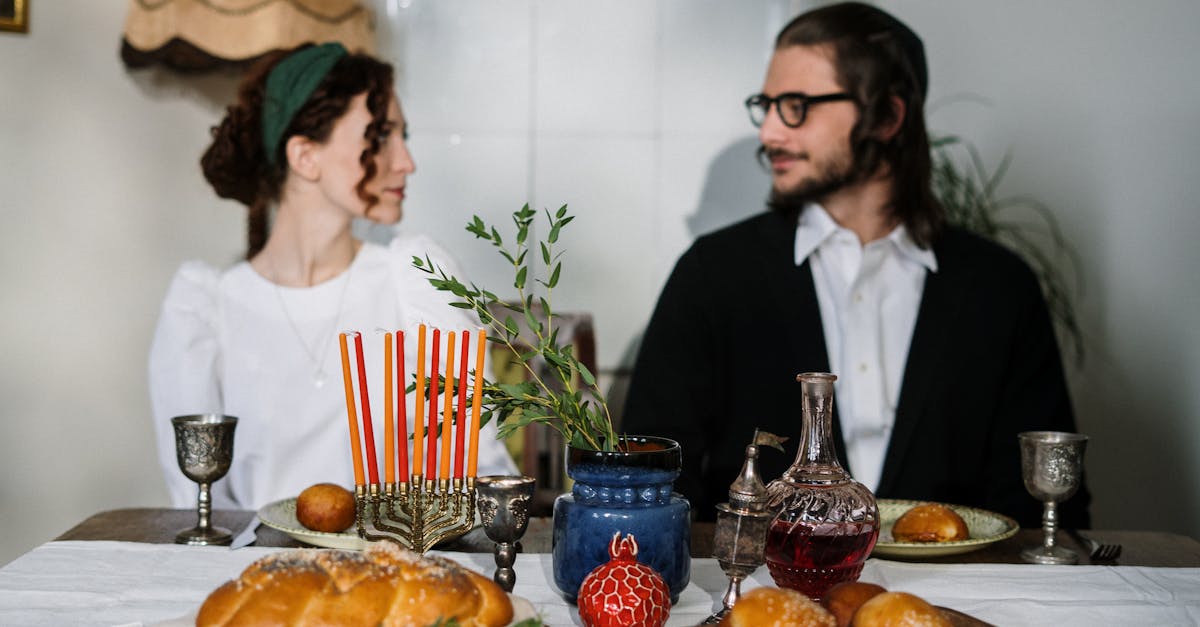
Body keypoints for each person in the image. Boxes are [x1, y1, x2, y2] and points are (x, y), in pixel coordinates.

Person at [622, 3, 1089, 529]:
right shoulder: (713, 273)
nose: (770, 133)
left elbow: (1047, 509)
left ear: (887, 117)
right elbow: (648, 479)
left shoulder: (1000, 288)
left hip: (958, 601)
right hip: (763, 595)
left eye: (796, 105)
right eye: (767, 105)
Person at [149, 42, 517, 510]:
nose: (406, 161)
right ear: (306, 156)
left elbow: (480, 468)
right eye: (382, 135)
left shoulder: (417, 281)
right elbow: (197, 507)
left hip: (391, 568)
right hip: (255, 575)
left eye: (403, 136)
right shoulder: (206, 308)